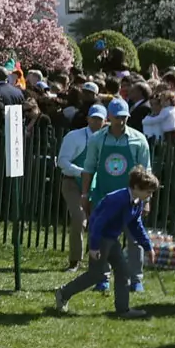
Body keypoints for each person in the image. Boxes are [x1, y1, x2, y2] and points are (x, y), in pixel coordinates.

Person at [53, 166, 158, 318]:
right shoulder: (117, 199)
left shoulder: (137, 202)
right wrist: (94, 247)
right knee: (96, 275)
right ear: (135, 187)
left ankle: (123, 310)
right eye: (148, 192)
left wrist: (148, 247)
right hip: (101, 237)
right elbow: (98, 223)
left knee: (123, 271)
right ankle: (63, 293)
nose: (150, 196)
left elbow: (136, 226)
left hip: (112, 239)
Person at [80, 97, 152, 293]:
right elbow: (88, 168)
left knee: (134, 238)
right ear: (109, 117)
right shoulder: (97, 139)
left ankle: (136, 279)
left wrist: (145, 201)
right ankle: (102, 277)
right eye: (117, 117)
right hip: (104, 197)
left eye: (124, 117)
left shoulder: (139, 140)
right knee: (103, 238)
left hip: (131, 199)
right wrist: (85, 195)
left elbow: (146, 172)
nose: (120, 121)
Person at [54, 103, 105, 271]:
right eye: (94, 118)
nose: (96, 122)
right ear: (88, 118)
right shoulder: (74, 136)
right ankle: (75, 261)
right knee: (78, 219)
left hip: (96, 185)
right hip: (72, 183)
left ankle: (96, 260)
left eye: (100, 119)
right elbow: (62, 161)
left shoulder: (107, 139)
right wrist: (81, 172)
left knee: (98, 221)